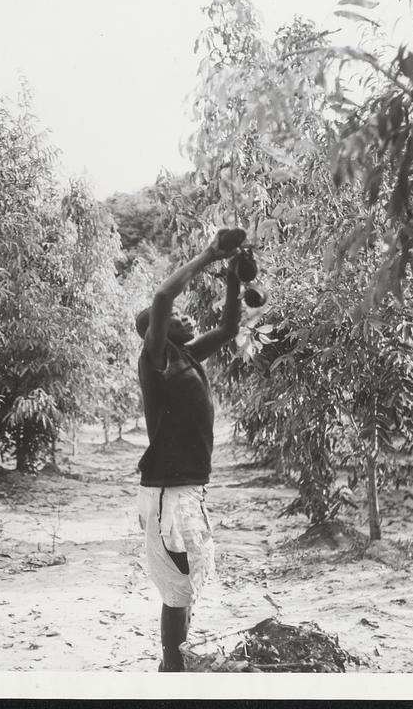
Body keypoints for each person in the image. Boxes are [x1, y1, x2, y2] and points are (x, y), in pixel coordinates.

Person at [135, 231, 242, 672]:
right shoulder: (155, 359)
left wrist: (233, 275)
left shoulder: (188, 356)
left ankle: (176, 662)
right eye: (175, 319)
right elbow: (162, 296)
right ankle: (171, 668)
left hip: (187, 489)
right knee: (178, 588)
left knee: (188, 582)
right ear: (156, 333)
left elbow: (231, 327)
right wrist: (208, 256)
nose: (185, 319)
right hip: (170, 491)